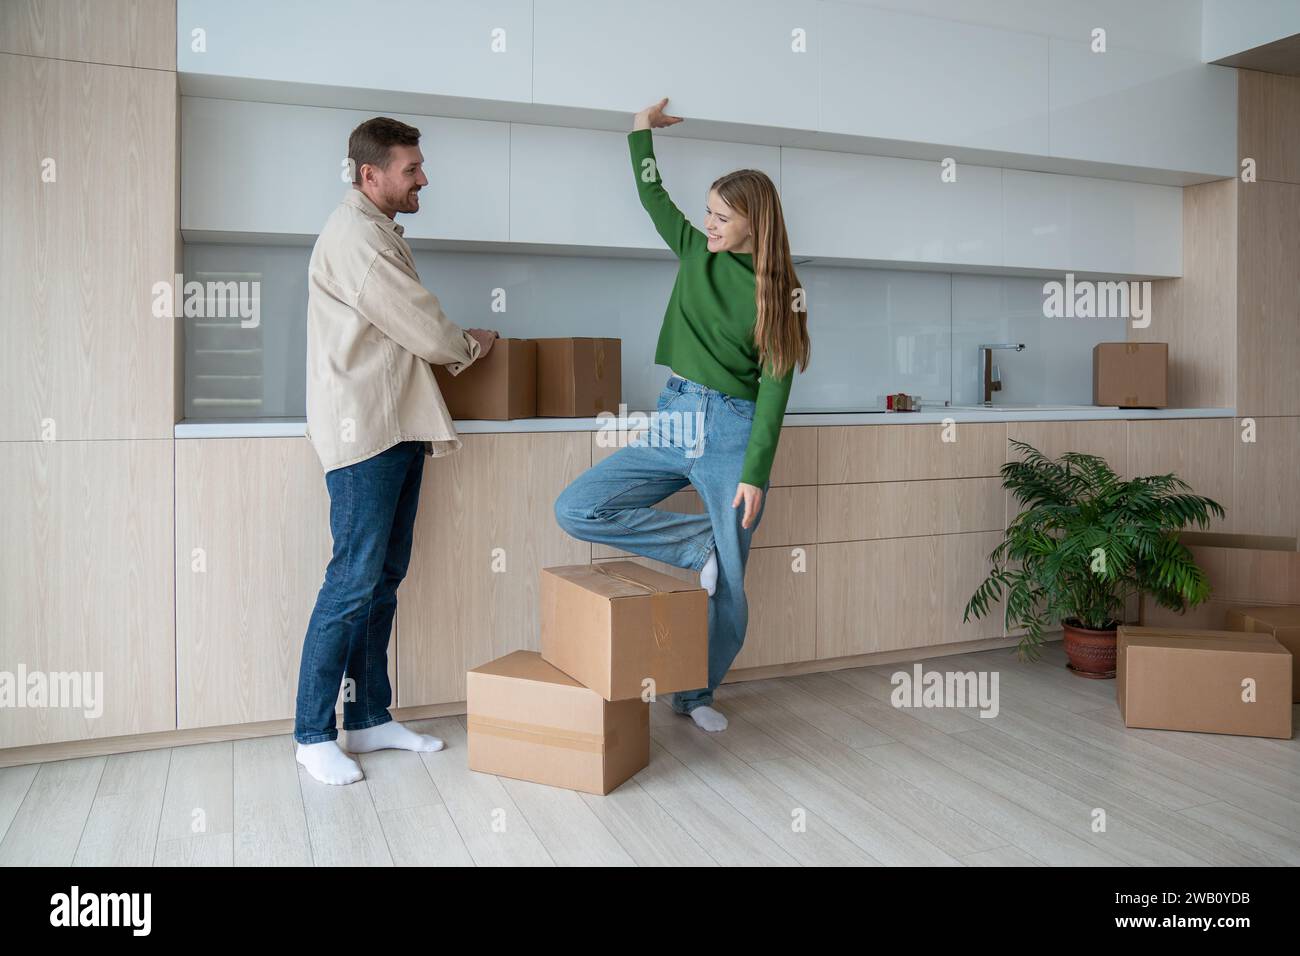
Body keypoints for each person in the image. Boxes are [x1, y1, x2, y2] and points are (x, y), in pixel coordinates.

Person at [554, 98, 811, 732]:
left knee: (730, 586)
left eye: (724, 216)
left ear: (756, 224)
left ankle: (695, 696)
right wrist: (641, 131)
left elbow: (776, 388)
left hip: (733, 430)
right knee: (577, 508)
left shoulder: (779, 292)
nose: (710, 223)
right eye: (709, 213)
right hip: (674, 418)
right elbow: (653, 198)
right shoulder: (695, 252)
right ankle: (698, 544)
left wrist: (754, 472)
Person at [295, 116, 498, 785]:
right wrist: (469, 346)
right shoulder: (356, 237)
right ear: (370, 174)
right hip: (367, 433)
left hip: (393, 426)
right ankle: (312, 734)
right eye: (412, 169)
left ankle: (370, 715)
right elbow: (418, 321)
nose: (423, 178)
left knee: (380, 583)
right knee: (352, 583)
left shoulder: (373, 231)